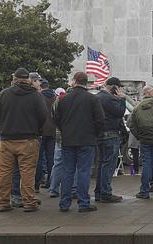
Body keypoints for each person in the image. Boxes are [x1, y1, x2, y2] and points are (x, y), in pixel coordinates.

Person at [0, 68, 48, 213]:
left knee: (4, 173)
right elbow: (43, 116)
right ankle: (29, 201)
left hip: (7, 139)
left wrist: (4, 124)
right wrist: (35, 128)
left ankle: (2, 202)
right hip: (29, 139)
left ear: (14, 78)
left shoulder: (4, 94)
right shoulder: (35, 95)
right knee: (28, 172)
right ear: (28, 79)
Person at [54, 71, 105, 212]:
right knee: (83, 171)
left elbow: (56, 119)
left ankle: (64, 203)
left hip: (68, 140)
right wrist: (94, 134)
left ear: (75, 81)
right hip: (87, 140)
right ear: (86, 82)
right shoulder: (93, 99)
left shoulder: (63, 99)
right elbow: (100, 120)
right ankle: (83, 203)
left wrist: (65, 130)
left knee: (67, 171)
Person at [95, 77, 126, 203]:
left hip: (100, 134)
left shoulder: (98, 97)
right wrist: (122, 99)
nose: (120, 90)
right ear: (114, 87)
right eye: (119, 87)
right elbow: (120, 112)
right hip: (110, 134)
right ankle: (106, 193)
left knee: (102, 164)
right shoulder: (108, 98)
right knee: (108, 165)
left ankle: (99, 192)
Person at [36, 78, 57, 193]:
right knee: (51, 159)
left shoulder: (38, 97)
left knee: (38, 159)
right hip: (52, 131)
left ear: (40, 86)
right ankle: (51, 182)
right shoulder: (55, 97)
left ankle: (36, 184)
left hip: (41, 131)